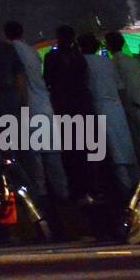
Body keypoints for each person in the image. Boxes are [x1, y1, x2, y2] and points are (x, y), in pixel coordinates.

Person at [6, 21, 69, 202]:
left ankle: (41, 193)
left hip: (30, 105)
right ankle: (62, 193)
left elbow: (19, 80)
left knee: (35, 156)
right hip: (44, 104)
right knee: (53, 155)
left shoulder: (12, 50)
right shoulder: (32, 50)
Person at [78, 33, 139, 196]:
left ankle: (126, 191)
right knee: (127, 148)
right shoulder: (106, 62)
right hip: (117, 107)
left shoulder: (83, 63)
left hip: (100, 108)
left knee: (114, 153)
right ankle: (138, 185)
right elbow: (121, 88)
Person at [43, 24, 97, 201]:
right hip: (83, 105)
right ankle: (95, 188)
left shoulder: (52, 57)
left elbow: (48, 81)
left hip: (65, 106)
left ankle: (77, 191)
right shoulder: (80, 58)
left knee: (72, 151)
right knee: (89, 149)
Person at [106, 31, 140, 165]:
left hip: (133, 109)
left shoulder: (112, 64)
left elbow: (121, 90)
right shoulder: (133, 61)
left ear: (108, 46)